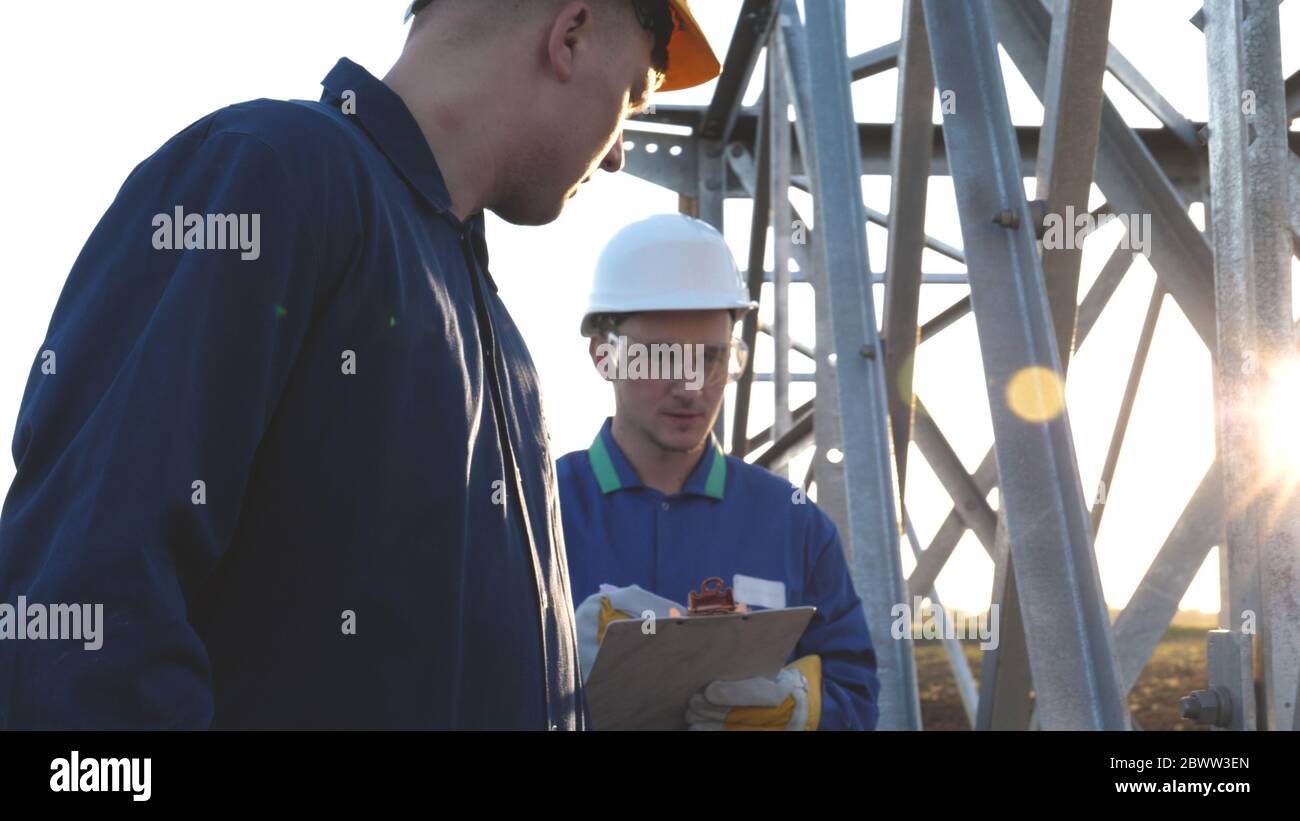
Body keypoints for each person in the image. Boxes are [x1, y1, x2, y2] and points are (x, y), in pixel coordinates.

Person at [0, 1, 720, 729]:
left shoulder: (505, 349)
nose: (623, 148)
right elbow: (84, 613)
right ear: (569, 36)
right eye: (633, 96)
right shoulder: (271, 174)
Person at [558, 214, 881, 730]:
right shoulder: (534, 512)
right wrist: (553, 672)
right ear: (604, 356)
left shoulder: (793, 524)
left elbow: (856, 690)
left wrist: (799, 712)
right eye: (663, 358)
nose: (691, 387)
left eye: (711, 358)